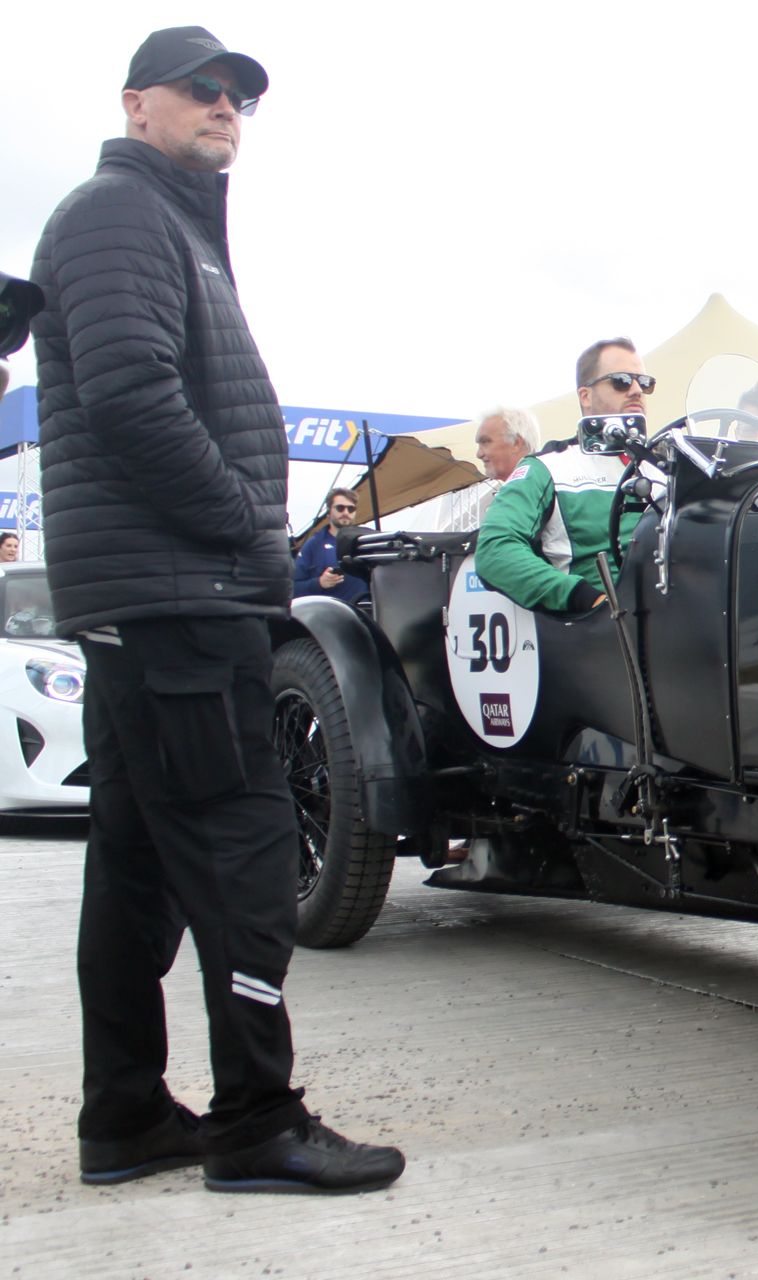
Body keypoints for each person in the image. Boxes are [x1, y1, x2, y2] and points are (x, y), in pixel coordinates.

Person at [29, 25, 403, 1194]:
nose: (226, 104)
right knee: (247, 859)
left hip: (158, 602)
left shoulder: (168, 224)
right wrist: (250, 528)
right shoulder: (118, 216)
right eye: (201, 89)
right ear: (136, 104)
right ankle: (256, 1119)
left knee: (136, 870)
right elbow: (134, 396)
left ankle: (126, 1113)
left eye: (241, 93)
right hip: (181, 595)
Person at [474, 338, 648, 612]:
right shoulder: (548, 468)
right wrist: (584, 598)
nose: (637, 390)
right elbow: (495, 551)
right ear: (585, 396)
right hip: (605, 639)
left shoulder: (666, 466)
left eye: (644, 382)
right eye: (621, 381)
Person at [291, 488, 367, 603]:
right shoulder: (314, 544)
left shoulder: (365, 541)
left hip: (364, 613)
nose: (346, 513)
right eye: (340, 508)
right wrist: (319, 583)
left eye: (351, 509)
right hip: (329, 615)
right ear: (329, 512)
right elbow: (292, 589)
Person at [474, 406, 538, 482]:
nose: (478, 454)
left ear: (516, 443)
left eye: (485, 442)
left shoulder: (526, 488)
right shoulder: (542, 481)